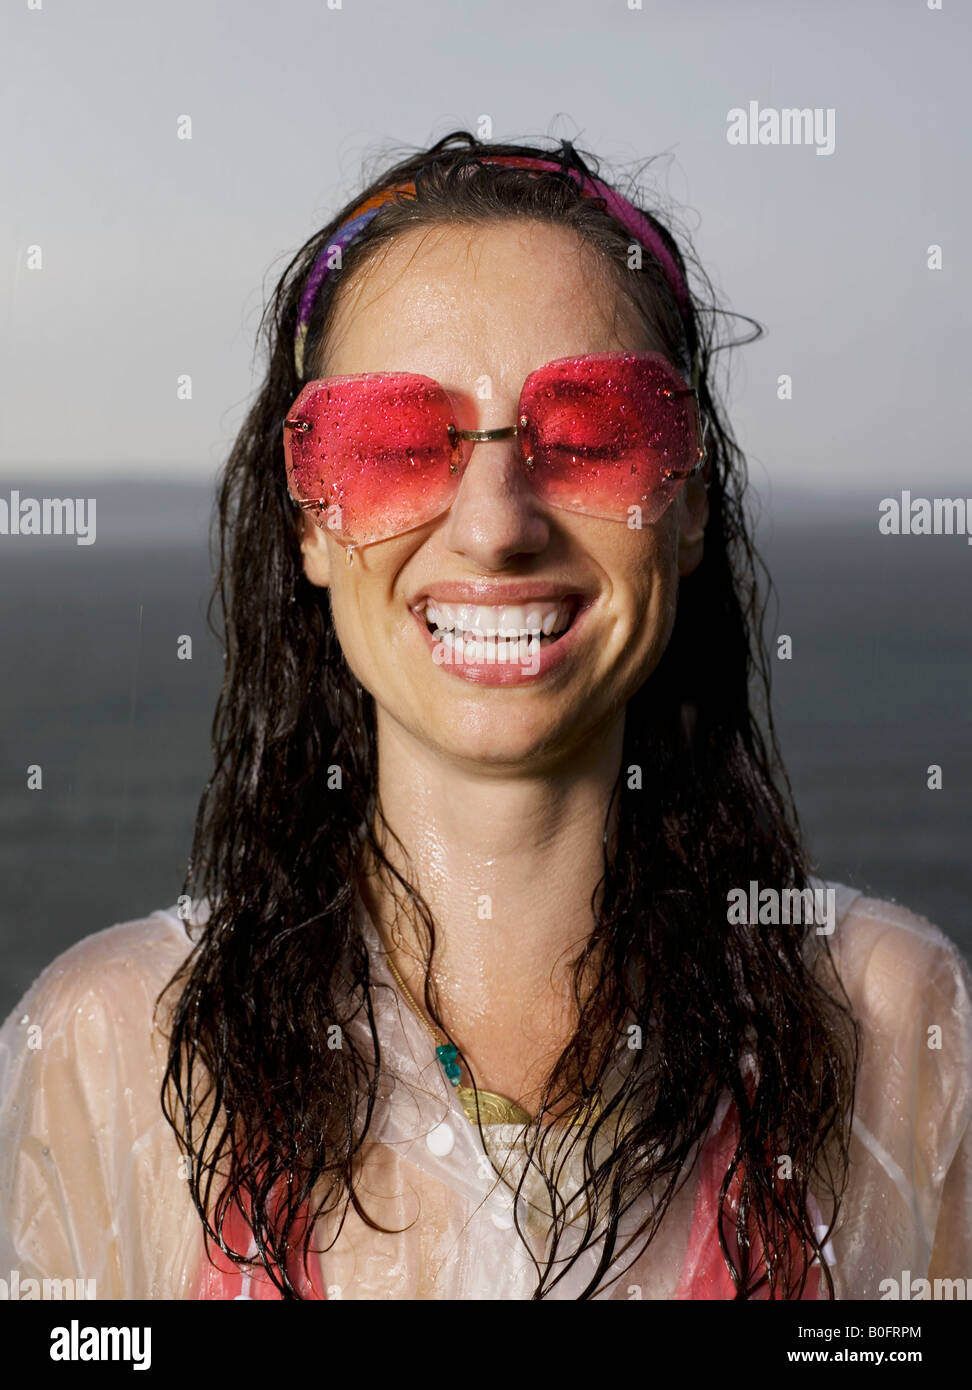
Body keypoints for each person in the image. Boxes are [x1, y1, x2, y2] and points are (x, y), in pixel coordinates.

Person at [1, 132, 969, 1301]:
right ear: (309, 522)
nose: (495, 523)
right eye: (395, 444)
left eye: (596, 430)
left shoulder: (897, 1036)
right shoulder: (108, 1054)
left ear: (694, 506)